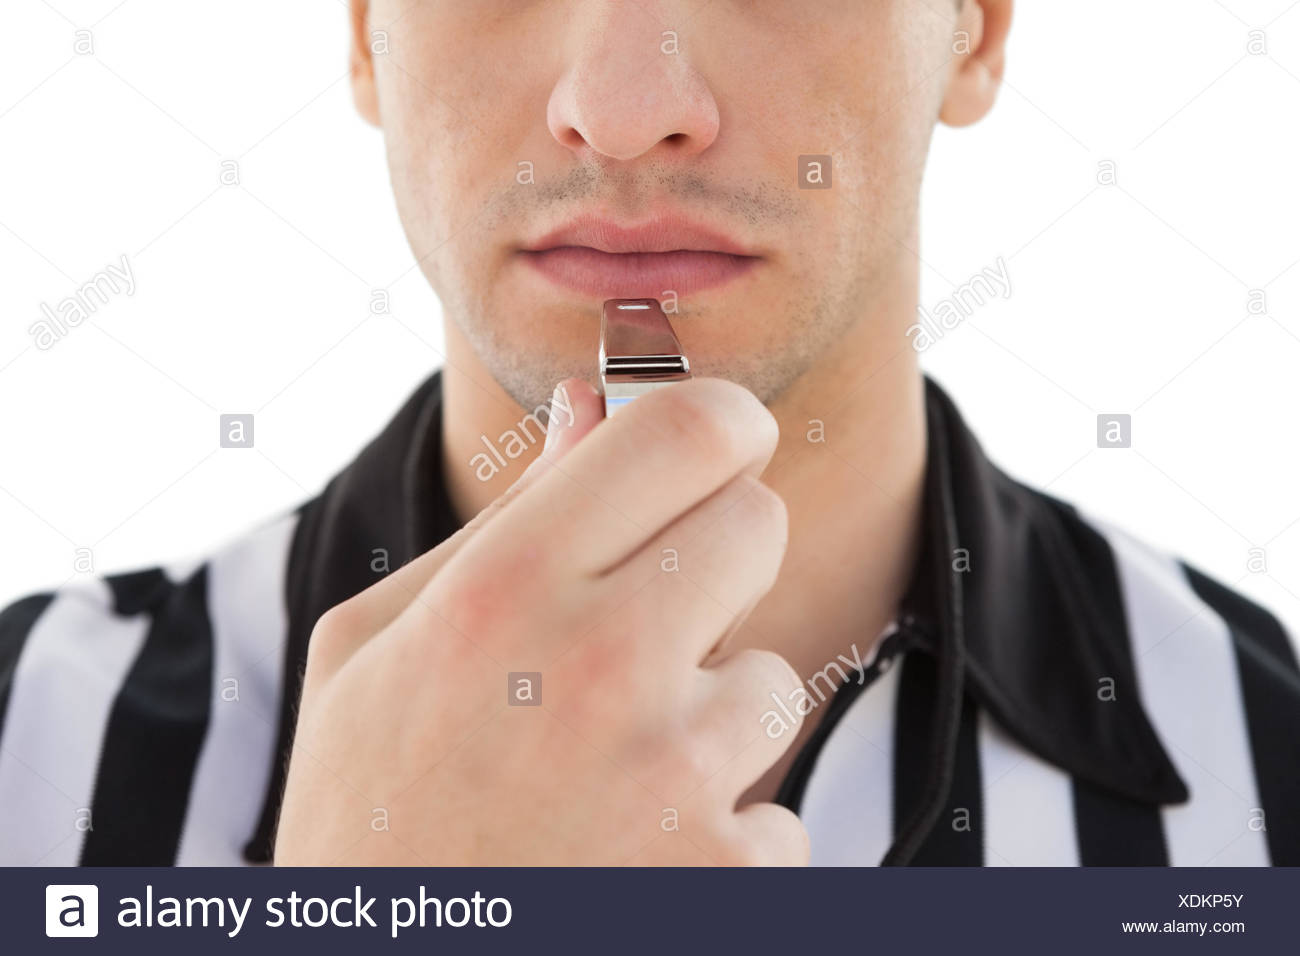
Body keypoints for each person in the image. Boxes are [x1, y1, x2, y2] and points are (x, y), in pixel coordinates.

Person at [1, 0, 1296, 867]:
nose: (621, 108)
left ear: (975, 28)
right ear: (361, 33)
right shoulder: (27, 746)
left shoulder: (1271, 772)